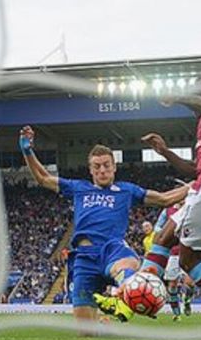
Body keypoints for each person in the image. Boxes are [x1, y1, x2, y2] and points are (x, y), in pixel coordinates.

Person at [99, 94, 201, 330]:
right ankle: (126, 301)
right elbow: (195, 169)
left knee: (190, 262)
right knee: (161, 239)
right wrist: (165, 152)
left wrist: (177, 97)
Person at [19, 125, 189, 328]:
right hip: (83, 257)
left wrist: (195, 186)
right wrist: (27, 150)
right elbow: (43, 178)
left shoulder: (126, 190)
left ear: (114, 167)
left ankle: (123, 299)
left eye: (106, 165)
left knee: (129, 264)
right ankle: (105, 321)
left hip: (111, 249)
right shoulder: (78, 188)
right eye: (97, 166)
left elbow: (164, 199)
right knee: (87, 331)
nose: (102, 170)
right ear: (90, 170)